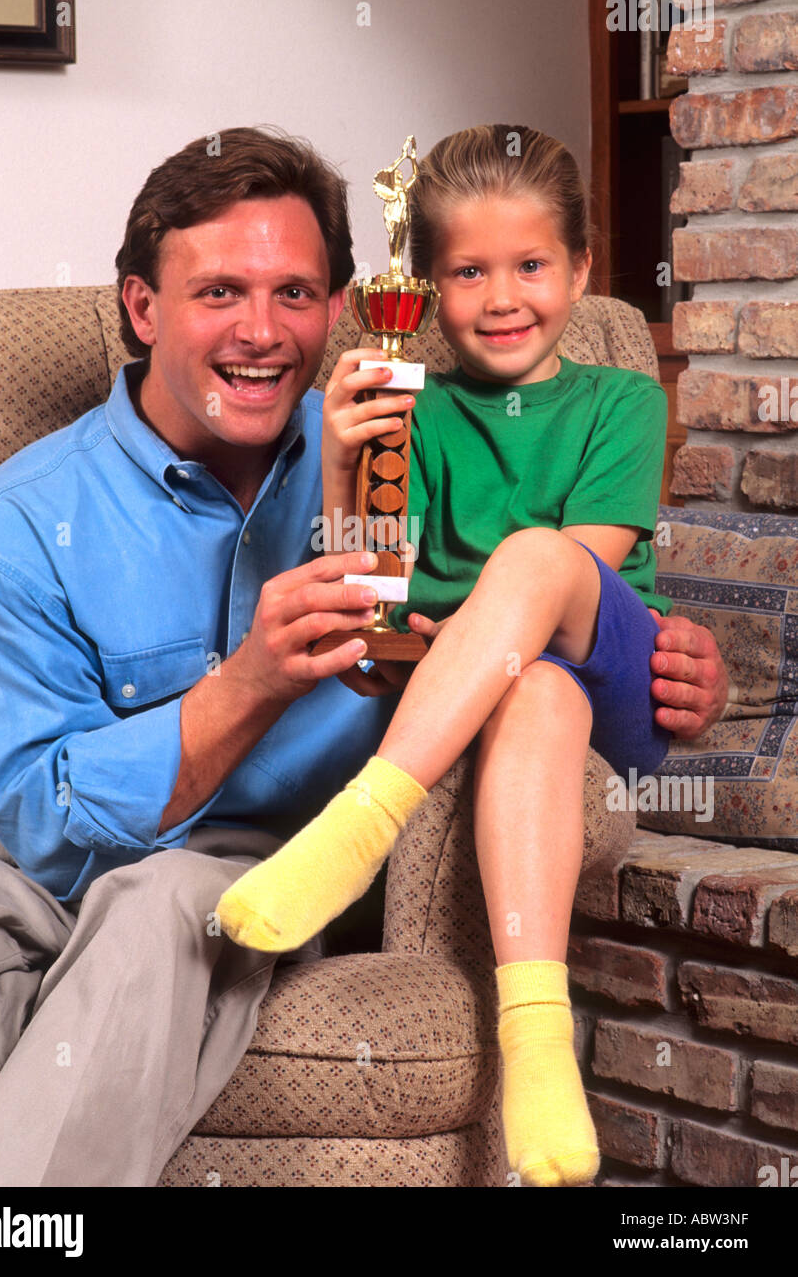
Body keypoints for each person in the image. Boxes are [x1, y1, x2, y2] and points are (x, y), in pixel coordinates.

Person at [0, 125, 727, 1188]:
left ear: (342, 309)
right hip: (48, 855)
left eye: (294, 294)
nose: (261, 333)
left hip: (252, 863)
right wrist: (248, 682)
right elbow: (33, 819)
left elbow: (544, 599)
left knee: (161, 906)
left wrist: (667, 657)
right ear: (140, 307)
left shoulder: (398, 442)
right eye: (218, 292)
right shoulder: (20, 522)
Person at [215, 123, 709, 1188]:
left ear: (579, 267)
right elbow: (380, 583)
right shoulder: (416, 407)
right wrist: (350, 469)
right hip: (509, 684)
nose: (502, 297)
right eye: (468, 272)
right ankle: (536, 1040)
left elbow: (579, 565)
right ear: (428, 290)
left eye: (531, 265)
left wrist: (460, 628)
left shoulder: (619, 398)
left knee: (533, 565)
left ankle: (363, 819)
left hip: (613, 665)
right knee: (523, 683)